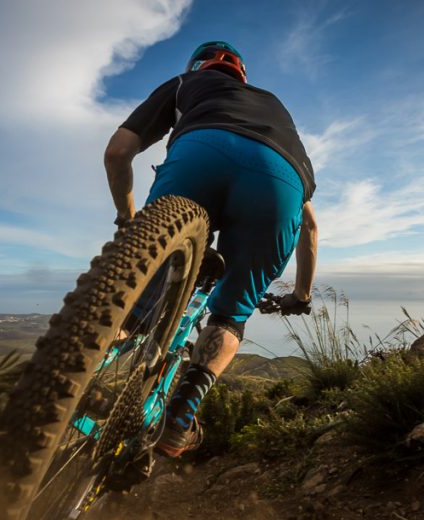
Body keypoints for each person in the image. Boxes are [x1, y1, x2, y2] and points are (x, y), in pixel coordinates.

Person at [103, 40, 318, 458]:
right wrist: (301, 296)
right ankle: (179, 419)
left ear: (199, 66)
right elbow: (309, 226)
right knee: (229, 313)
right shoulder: (275, 108)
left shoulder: (187, 83)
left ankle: (81, 365)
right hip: (281, 180)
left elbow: (117, 152)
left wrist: (129, 221)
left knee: (145, 292)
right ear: (243, 76)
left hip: (200, 153)